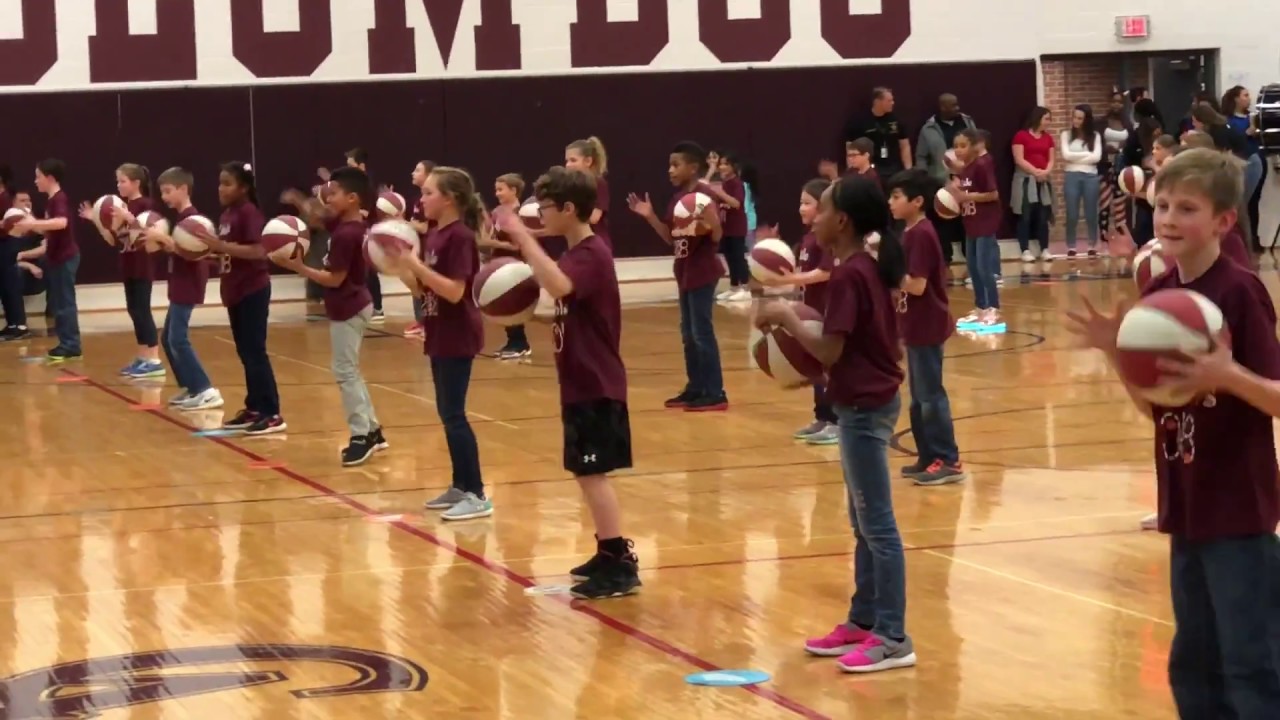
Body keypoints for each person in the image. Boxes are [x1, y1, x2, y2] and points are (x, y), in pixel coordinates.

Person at [1066, 147, 1280, 718]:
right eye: (1162, 206)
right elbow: (1154, 410)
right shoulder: (1158, 294)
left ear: (1223, 221)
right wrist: (1116, 355)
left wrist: (1228, 375)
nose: (1168, 218)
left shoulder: (1239, 291)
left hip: (1239, 508)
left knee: (1250, 662)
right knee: (1192, 663)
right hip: (1185, 503)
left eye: (1187, 208)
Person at [757, 175, 915, 674]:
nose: (815, 219)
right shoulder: (859, 267)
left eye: (821, 209)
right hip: (861, 402)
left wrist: (786, 316)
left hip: (866, 407)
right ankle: (863, 620)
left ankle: (893, 636)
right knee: (862, 523)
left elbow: (829, 348)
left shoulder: (851, 274)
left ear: (842, 221)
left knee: (877, 525)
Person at [498, 166, 639, 599]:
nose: (539, 213)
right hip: (579, 379)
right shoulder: (577, 254)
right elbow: (563, 305)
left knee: (593, 473)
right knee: (584, 471)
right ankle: (607, 550)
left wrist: (522, 238)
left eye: (545, 206)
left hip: (597, 381)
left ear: (569, 208)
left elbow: (560, 286)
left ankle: (620, 565)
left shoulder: (592, 253)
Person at [394, 167, 492, 521]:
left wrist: (416, 265)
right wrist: (399, 267)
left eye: (429, 193)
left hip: (458, 334)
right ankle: (460, 485)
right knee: (447, 414)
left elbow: (454, 291)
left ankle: (477, 493)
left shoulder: (460, 237)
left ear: (449, 199)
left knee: (454, 414)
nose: (422, 199)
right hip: (439, 332)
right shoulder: (435, 235)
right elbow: (425, 290)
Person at [627, 141, 727, 412]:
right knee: (688, 334)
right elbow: (672, 239)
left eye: (675, 165)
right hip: (684, 271)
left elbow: (717, 235)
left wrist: (712, 222)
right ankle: (696, 388)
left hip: (703, 271)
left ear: (693, 168)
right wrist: (650, 217)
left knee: (701, 332)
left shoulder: (705, 196)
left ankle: (715, 392)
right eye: (669, 165)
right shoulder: (678, 199)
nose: (670, 170)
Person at [889, 169, 963, 485]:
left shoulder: (921, 234)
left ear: (917, 201)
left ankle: (949, 460)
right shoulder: (910, 232)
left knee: (931, 396)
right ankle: (928, 456)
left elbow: (917, 285)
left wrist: (888, 274)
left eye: (896, 196)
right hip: (915, 325)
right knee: (919, 397)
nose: (890, 202)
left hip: (927, 325)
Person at [201, 162, 285, 435]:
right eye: (220, 183)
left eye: (227, 183)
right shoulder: (227, 215)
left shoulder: (249, 213)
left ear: (244, 187)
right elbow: (229, 253)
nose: (221, 188)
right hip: (234, 289)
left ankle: (272, 413)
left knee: (255, 351)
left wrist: (221, 246)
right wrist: (205, 254)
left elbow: (259, 251)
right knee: (245, 353)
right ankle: (254, 407)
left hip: (253, 290)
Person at [760, 178, 836, 445]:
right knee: (814, 367)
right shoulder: (807, 238)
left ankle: (836, 421)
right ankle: (822, 417)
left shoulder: (825, 240)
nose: (801, 208)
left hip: (828, 311)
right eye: (800, 203)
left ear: (823, 207)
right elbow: (802, 275)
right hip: (810, 308)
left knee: (829, 369)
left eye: (807, 203)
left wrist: (788, 280)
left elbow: (825, 273)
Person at [144, 167, 222, 411]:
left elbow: (192, 253)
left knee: (178, 338)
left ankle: (205, 389)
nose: (164, 197)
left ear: (183, 189)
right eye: (162, 192)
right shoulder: (181, 219)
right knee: (167, 338)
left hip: (189, 283)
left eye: (168, 191)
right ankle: (190, 387)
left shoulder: (193, 220)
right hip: (179, 282)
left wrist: (165, 240)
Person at [82, 164, 165, 378]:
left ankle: (154, 360)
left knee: (142, 310)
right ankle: (143, 356)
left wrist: (128, 218)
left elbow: (153, 233)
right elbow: (113, 241)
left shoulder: (146, 204)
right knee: (133, 310)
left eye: (122, 181)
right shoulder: (123, 206)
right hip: (128, 265)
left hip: (143, 265)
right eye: (117, 181)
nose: (118, 185)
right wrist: (97, 220)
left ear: (136, 183)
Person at [14, 160, 80, 362]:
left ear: (49, 178)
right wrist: (30, 225)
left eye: (38, 176)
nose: (35, 181)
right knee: (59, 303)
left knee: (65, 303)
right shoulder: (52, 200)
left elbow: (61, 222)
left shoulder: (59, 199)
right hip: (57, 258)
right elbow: (49, 230)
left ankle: (71, 346)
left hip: (65, 257)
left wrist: (34, 222)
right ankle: (66, 344)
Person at [950, 129, 1002, 329]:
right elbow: (963, 192)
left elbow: (993, 194)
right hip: (971, 222)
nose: (958, 150)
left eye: (963, 146)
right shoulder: (965, 169)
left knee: (983, 267)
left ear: (974, 146)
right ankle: (980, 308)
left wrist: (967, 197)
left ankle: (993, 308)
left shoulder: (981, 165)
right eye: (955, 146)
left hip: (985, 222)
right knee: (972, 267)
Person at [917, 94, 975, 264]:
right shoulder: (928, 129)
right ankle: (944, 259)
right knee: (943, 220)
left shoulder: (967, 122)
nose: (957, 108)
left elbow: (978, 147)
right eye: (952, 105)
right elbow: (921, 157)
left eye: (957, 104)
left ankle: (971, 256)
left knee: (968, 219)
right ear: (942, 107)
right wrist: (924, 178)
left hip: (965, 178)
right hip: (940, 180)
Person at [487, 172, 531, 358]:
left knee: (512, 303)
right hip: (499, 263)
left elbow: (522, 242)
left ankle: (520, 343)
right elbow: (489, 237)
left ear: (514, 190)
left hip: (516, 264)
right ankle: (513, 341)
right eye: (496, 189)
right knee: (503, 303)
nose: (497, 193)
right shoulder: (497, 212)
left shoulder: (522, 213)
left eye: (501, 189)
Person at [343, 147, 385, 323]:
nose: (348, 169)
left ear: (361, 166)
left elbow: (365, 213)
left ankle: (377, 307)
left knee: (370, 272)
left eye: (351, 165)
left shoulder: (365, 187)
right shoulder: (356, 186)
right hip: (360, 233)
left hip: (368, 233)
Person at [1221, 86, 1266, 251]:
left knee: (1254, 202)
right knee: (1241, 203)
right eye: (1245, 95)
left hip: (1257, 160)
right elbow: (1232, 143)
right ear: (1236, 98)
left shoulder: (1252, 117)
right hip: (1241, 163)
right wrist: (1247, 133)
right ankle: (1240, 241)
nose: (1249, 98)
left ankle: (1253, 238)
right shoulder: (1228, 121)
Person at [1012, 106, 1055, 262]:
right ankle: (1025, 250)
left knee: (1043, 216)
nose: (1048, 122)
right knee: (1025, 215)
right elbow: (1019, 159)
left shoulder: (1048, 138)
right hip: (1025, 180)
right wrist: (1035, 171)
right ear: (1037, 118)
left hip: (1043, 181)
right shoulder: (1021, 136)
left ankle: (1044, 249)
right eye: (1046, 119)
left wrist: (1045, 172)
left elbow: (1051, 159)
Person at [843, 87, 912, 183]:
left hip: (893, 167)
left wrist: (908, 170)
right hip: (871, 168)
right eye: (889, 101)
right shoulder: (860, 121)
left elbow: (904, 145)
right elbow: (850, 147)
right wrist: (852, 171)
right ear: (877, 101)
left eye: (892, 100)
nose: (892, 103)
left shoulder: (895, 120)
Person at [1060, 104, 1103, 258]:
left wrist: (1076, 157)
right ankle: (1071, 245)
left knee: (1091, 213)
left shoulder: (1095, 136)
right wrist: (1087, 155)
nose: (1076, 121)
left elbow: (1097, 157)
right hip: (1071, 175)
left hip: (1090, 176)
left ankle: (1092, 245)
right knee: (1072, 213)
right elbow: (1066, 155)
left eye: (1080, 118)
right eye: (1074, 117)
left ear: (1086, 120)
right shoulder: (1066, 135)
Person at [708, 151, 748, 302]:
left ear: (734, 166)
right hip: (725, 227)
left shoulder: (737, 183)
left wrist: (721, 193)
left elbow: (737, 203)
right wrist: (712, 168)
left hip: (737, 227)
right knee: (729, 258)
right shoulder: (723, 183)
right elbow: (704, 185)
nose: (722, 167)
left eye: (726, 164)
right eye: (721, 164)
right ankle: (734, 287)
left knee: (738, 257)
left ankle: (745, 288)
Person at [404, 159, 436, 338]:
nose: (413, 173)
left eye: (417, 170)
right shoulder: (419, 200)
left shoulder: (431, 200)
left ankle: (428, 323)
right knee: (417, 284)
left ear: (429, 175)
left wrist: (407, 223)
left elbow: (426, 227)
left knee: (427, 286)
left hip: (430, 249)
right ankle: (421, 321)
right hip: (419, 248)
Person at [564, 136, 612, 248]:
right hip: (577, 242)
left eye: (573, 160)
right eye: (567, 161)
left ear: (588, 161)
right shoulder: (569, 185)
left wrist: (567, 215)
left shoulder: (598, 183)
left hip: (596, 244)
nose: (568, 165)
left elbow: (594, 217)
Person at [0, 165, 27, 341]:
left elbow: (11, 223)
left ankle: (20, 325)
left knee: (10, 285)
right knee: (4, 286)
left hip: (6, 245)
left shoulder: (6, 198)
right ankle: (11, 324)